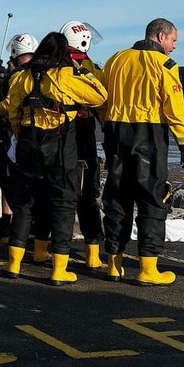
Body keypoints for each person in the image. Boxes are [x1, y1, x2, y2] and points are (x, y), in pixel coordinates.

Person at [0, 27, 107, 285]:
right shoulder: (66, 75)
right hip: (60, 148)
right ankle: (59, 270)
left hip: (27, 146)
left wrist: (18, 132)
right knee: (64, 204)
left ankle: (13, 264)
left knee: (25, 204)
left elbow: (11, 110)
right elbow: (101, 95)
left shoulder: (22, 77)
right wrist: (80, 72)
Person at [100, 17, 184, 286]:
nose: (175, 47)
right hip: (149, 137)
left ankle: (114, 265)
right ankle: (148, 268)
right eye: (174, 40)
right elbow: (175, 109)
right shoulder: (165, 65)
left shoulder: (116, 60)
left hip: (116, 135)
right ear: (161, 36)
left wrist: (106, 125)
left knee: (117, 199)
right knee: (153, 199)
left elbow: (101, 98)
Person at [0, 32, 37, 241]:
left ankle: (12, 225)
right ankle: (14, 224)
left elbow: (6, 104)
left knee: (9, 179)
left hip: (13, 134)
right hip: (37, 136)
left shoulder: (15, 77)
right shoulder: (41, 73)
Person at [64, 21, 107, 269]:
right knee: (88, 193)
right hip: (84, 131)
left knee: (60, 192)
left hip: (58, 132)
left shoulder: (54, 66)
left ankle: (47, 245)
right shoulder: (90, 67)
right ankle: (93, 252)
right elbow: (103, 99)